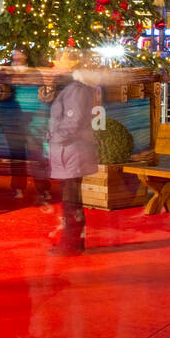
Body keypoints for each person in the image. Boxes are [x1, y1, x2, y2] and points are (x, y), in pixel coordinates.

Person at [46, 51, 98, 256]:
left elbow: (72, 121)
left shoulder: (75, 90)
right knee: (71, 199)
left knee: (71, 200)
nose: (55, 63)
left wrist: (55, 138)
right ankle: (74, 241)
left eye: (59, 60)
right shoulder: (73, 88)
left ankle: (71, 243)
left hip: (71, 152)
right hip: (69, 152)